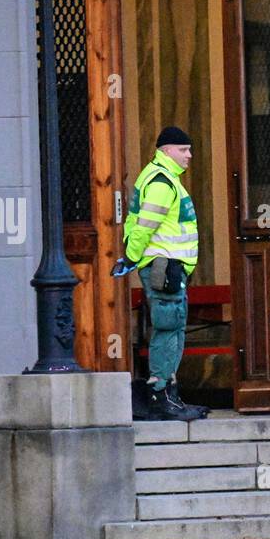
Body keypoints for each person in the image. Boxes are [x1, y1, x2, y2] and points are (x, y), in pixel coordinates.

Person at [116, 126, 206, 422]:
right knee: (168, 328)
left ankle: (170, 395)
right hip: (163, 266)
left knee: (173, 327)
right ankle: (161, 395)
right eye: (184, 150)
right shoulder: (161, 182)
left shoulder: (165, 178)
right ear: (166, 150)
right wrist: (131, 256)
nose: (189, 155)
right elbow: (145, 226)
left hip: (170, 267)